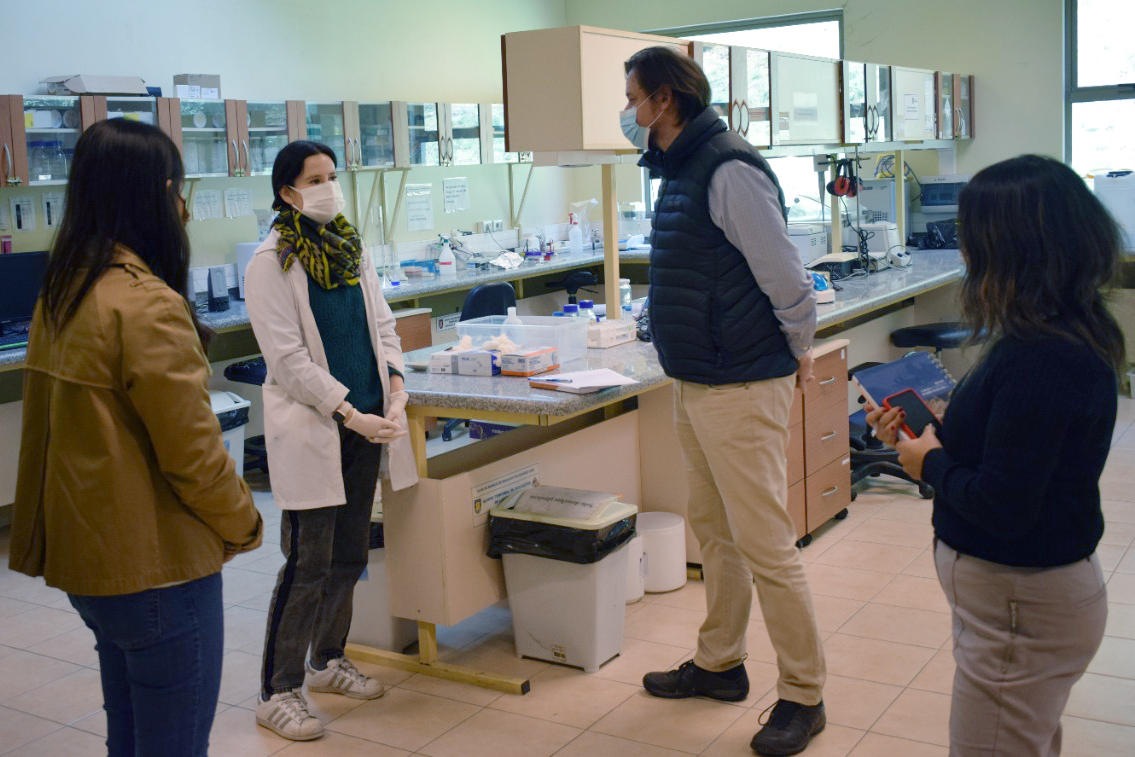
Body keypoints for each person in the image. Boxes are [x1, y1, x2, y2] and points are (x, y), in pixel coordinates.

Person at [9, 118, 264, 757]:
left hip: (93, 564)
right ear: (159, 194)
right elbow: (194, 455)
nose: (184, 208)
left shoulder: (63, 293)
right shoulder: (145, 303)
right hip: (158, 569)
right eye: (180, 189)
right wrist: (244, 523)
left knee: (129, 733)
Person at [867, 154, 1124, 756]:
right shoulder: (1060, 330)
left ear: (1012, 247)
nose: (963, 249)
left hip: (1021, 608)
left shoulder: (1044, 358)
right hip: (1020, 604)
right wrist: (930, 436)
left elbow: (1003, 505)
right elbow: (1020, 449)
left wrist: (929, 463)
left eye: (971, 234)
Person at [623, 47, 826, 756]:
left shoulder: (727, 167)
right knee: (714, 531)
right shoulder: (679, 167)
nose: (628, 112)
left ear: (664, 99)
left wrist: (798, 348)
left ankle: (804, 693)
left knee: (766, 543)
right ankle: (719, 664)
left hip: (740, 381)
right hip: (697, 378)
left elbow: (784, 274)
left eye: (634, 98)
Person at [245, 140, 419, 741]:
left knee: (350, 554)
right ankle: (277, 690)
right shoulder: (270, 262)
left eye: (331, 176)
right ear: (288, 193)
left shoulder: (348, 247)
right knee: (308, 562)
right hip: (321, 425)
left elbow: (383, 325)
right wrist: (347, 411)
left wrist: (394, 383)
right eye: (314, 180)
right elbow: (288, 359)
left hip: (369, 421)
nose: (327, 188)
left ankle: (327, 659)